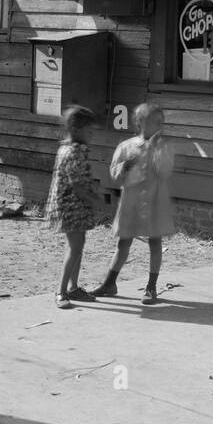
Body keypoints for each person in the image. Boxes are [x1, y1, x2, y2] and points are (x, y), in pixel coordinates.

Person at [92, 103, 175, 305]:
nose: (159, 125)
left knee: (155, 241)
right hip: (131, 202)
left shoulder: (164, 147)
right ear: (140, 123)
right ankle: (110, 283)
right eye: (154, 122)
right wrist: (125, 165)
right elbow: (114, 174)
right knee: (124, 243)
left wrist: (157, 152)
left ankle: (151, 287)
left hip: (155, 200)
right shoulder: (126, 146)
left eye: (161, 122)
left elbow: (165, 172)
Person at [45, 105, 101, 309]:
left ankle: (74, 288)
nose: (92, 134)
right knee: (75, 248)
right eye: (89, 130)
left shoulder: (65, 148)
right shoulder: (76, 151)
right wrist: (94, 199)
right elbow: (77, 183)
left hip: (70, 206)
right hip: (71, 206)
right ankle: (61, 291)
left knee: (78, 247)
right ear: (77, 129)